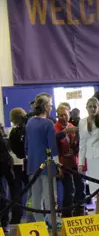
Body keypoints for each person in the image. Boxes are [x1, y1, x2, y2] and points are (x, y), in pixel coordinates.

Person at [24, 94, 59, 226]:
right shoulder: (48, 123)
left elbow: (26, 146)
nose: (51, 106)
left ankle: (39, 221)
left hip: (33, 164)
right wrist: (57, 164)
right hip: (47, 164)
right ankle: (51, 220)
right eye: (50, 104)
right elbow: (52, 146)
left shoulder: (30, 122)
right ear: (45, 106)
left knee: (36, 195)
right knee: (50, 194)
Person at [54, 103, 84, 217]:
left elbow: (80, 144)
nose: (63, 118)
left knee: (80, 187)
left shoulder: (72, 126)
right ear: (57, 116)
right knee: (69, 189)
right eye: (60, 115)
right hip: (63, 164)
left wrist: (75, 149)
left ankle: (79, 212)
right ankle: (67, 215)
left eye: (65, 115)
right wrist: (65, 132)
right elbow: (54, 145)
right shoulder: (55, 128)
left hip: (75, 162)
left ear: (69, 114)